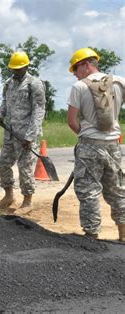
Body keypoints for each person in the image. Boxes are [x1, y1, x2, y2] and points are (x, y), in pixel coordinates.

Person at [66, 47, 125, 241]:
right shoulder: (118, 82)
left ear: (86, 64)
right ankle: (123, 234)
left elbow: (72, 121)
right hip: (114, 146)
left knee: (89, 191)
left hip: (90, 145)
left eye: (76, 69)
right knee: (117, 190)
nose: (75, 74)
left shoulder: (80, 87)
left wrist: (85, 136)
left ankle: (92, 236)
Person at [0, 51, 46, 212]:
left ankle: (27, 201)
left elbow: (39, 110)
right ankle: (8, 196)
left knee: (25, 168)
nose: (16, 71)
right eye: (13, 69)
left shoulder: (34, 84)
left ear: (26, 66)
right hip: (10, 132)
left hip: (26, 135)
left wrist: (31, 135)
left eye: (19, 68)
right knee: (4, 164)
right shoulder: (9, 83)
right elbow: (5, 103)